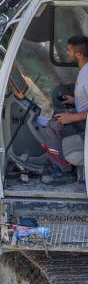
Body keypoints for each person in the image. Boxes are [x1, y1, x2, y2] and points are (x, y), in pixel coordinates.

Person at [43, 35, 88, 184]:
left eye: (69, 50)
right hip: (81, 116)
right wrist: (73, 100)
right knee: (57, 115)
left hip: (84, 122)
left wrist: (72, 118)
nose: (67, 53)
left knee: (52, 126)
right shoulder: (83, 71)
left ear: (79, 54)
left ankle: (64, 170)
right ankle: (60, 162)